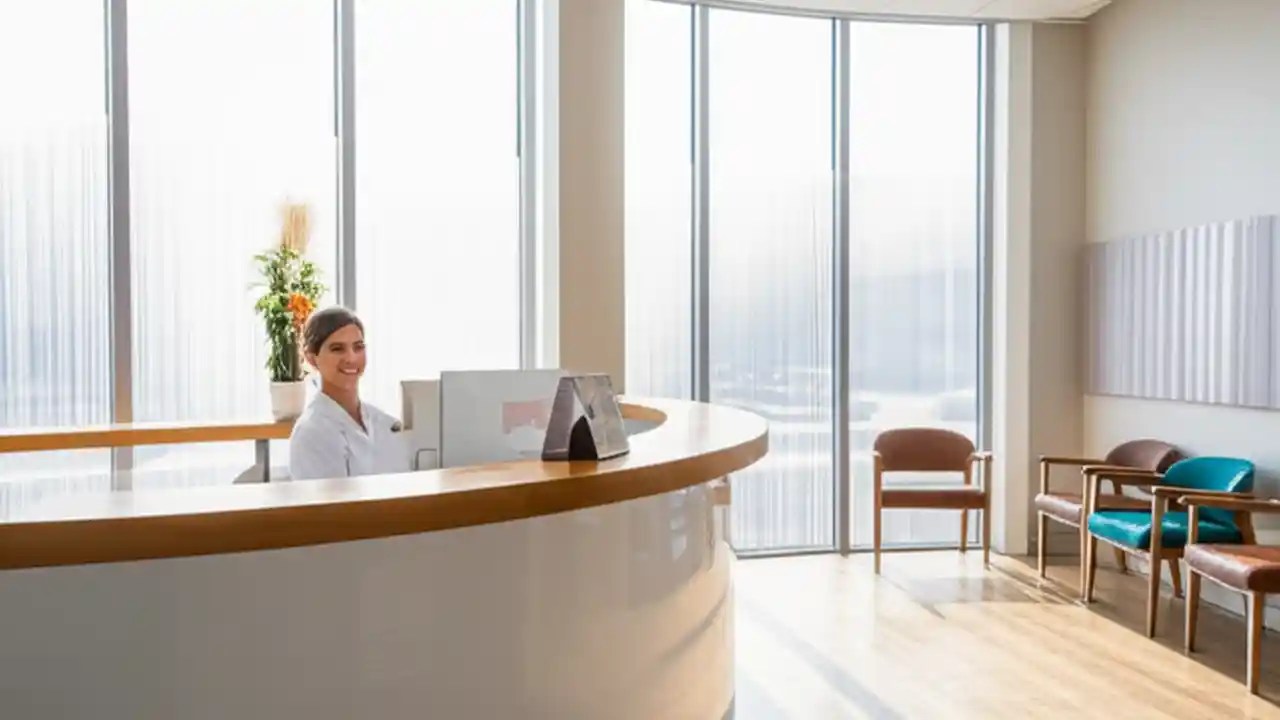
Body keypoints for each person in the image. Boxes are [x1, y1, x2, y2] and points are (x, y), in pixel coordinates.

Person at [288, 307, 411, 480]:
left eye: (358, 347)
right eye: (337, 349)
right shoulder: (311, 433)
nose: (351, 358)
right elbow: (330, 506)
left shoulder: (385, 423)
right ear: (311, 358)